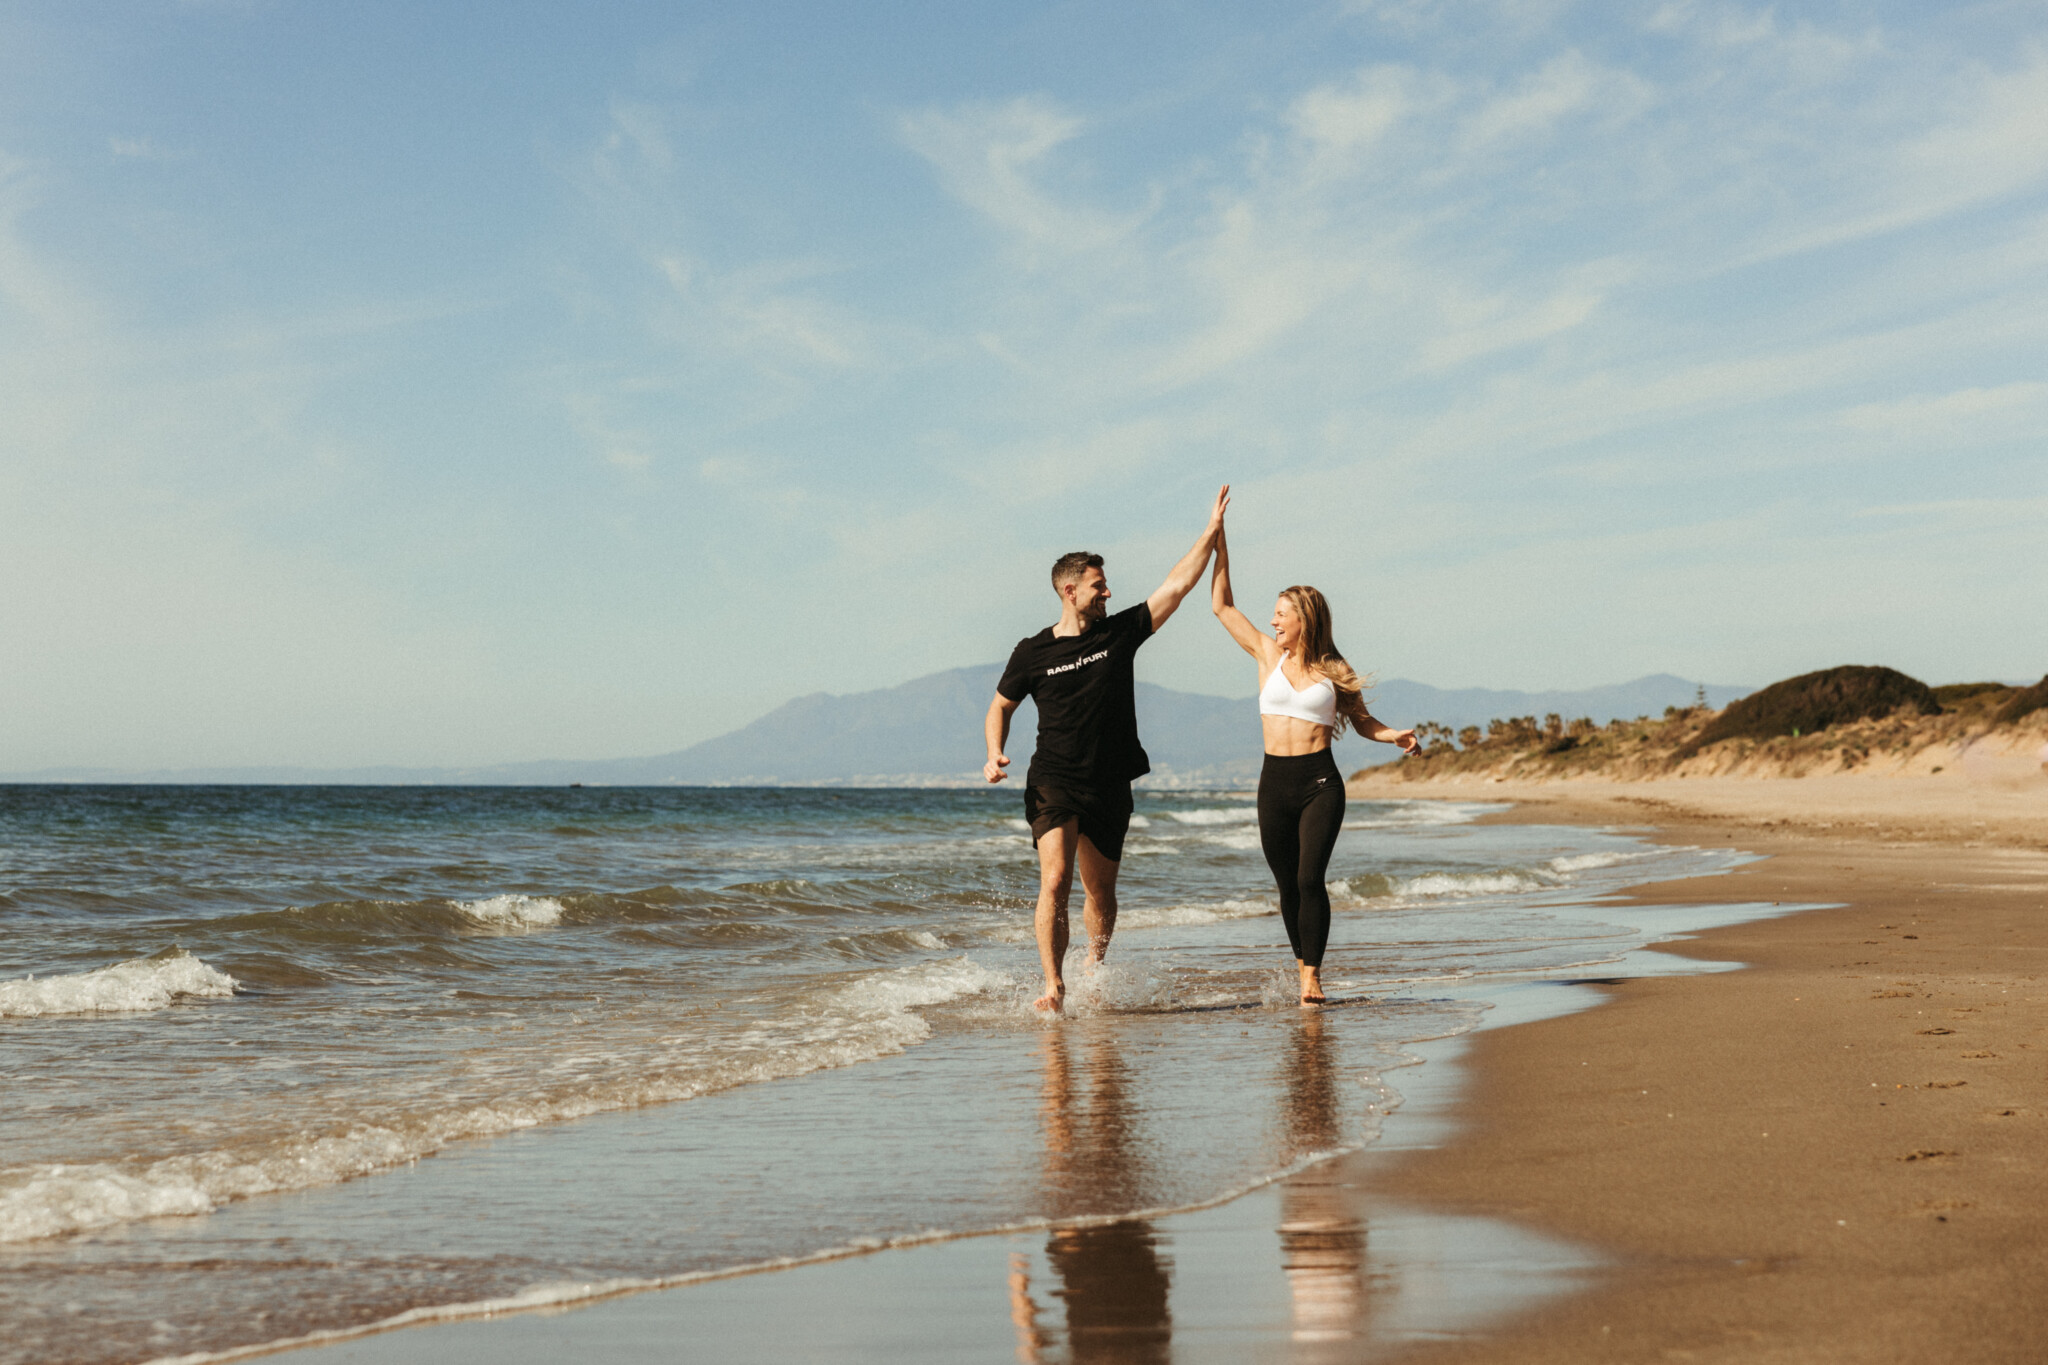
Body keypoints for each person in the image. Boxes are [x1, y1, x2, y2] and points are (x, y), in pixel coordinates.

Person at [985, 487, 1230, 1012]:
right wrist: (994, 752)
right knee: (1054, 879)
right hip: (1054, 779)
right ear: (1070, 591)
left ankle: (1094, 966)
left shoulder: (1119, 634)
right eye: (1099, 586)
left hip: (1110, 782)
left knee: (1100, 894)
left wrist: (1210, 533)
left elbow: (1177, 586)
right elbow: (1000, 706)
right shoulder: (1032, 651)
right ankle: (1053, 984)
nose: (1108, 593)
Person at [1209, 515, 1416, 1005]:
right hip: (1274, 783)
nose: (1274, 621)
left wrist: (1394, 737)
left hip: (1320, 782)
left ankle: (1311, 977)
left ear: (1305, 618)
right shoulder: (1266, 656)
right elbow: (1221, 605)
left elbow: (1363, 722)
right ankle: (1301, 963)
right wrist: (1220, 544)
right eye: (1274, 614)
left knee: (1309, 878)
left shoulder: (1334, 670)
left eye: (1282, 614)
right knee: (1286, 886)